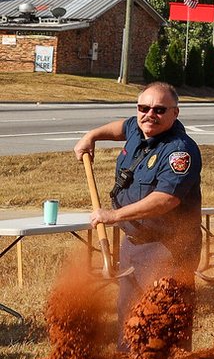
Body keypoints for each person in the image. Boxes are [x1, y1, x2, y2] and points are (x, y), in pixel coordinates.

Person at [71, 81, 203, 333]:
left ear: (175, 113)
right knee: (129, 318)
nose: (149, 115)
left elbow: (165, 200)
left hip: (168, 249)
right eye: (144, 107)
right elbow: (122, 126)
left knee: (162, 324)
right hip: (133, 243)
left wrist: (113, 215)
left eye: (159, 110)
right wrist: (91, 136)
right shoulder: (138, 128)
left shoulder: (180, 152)